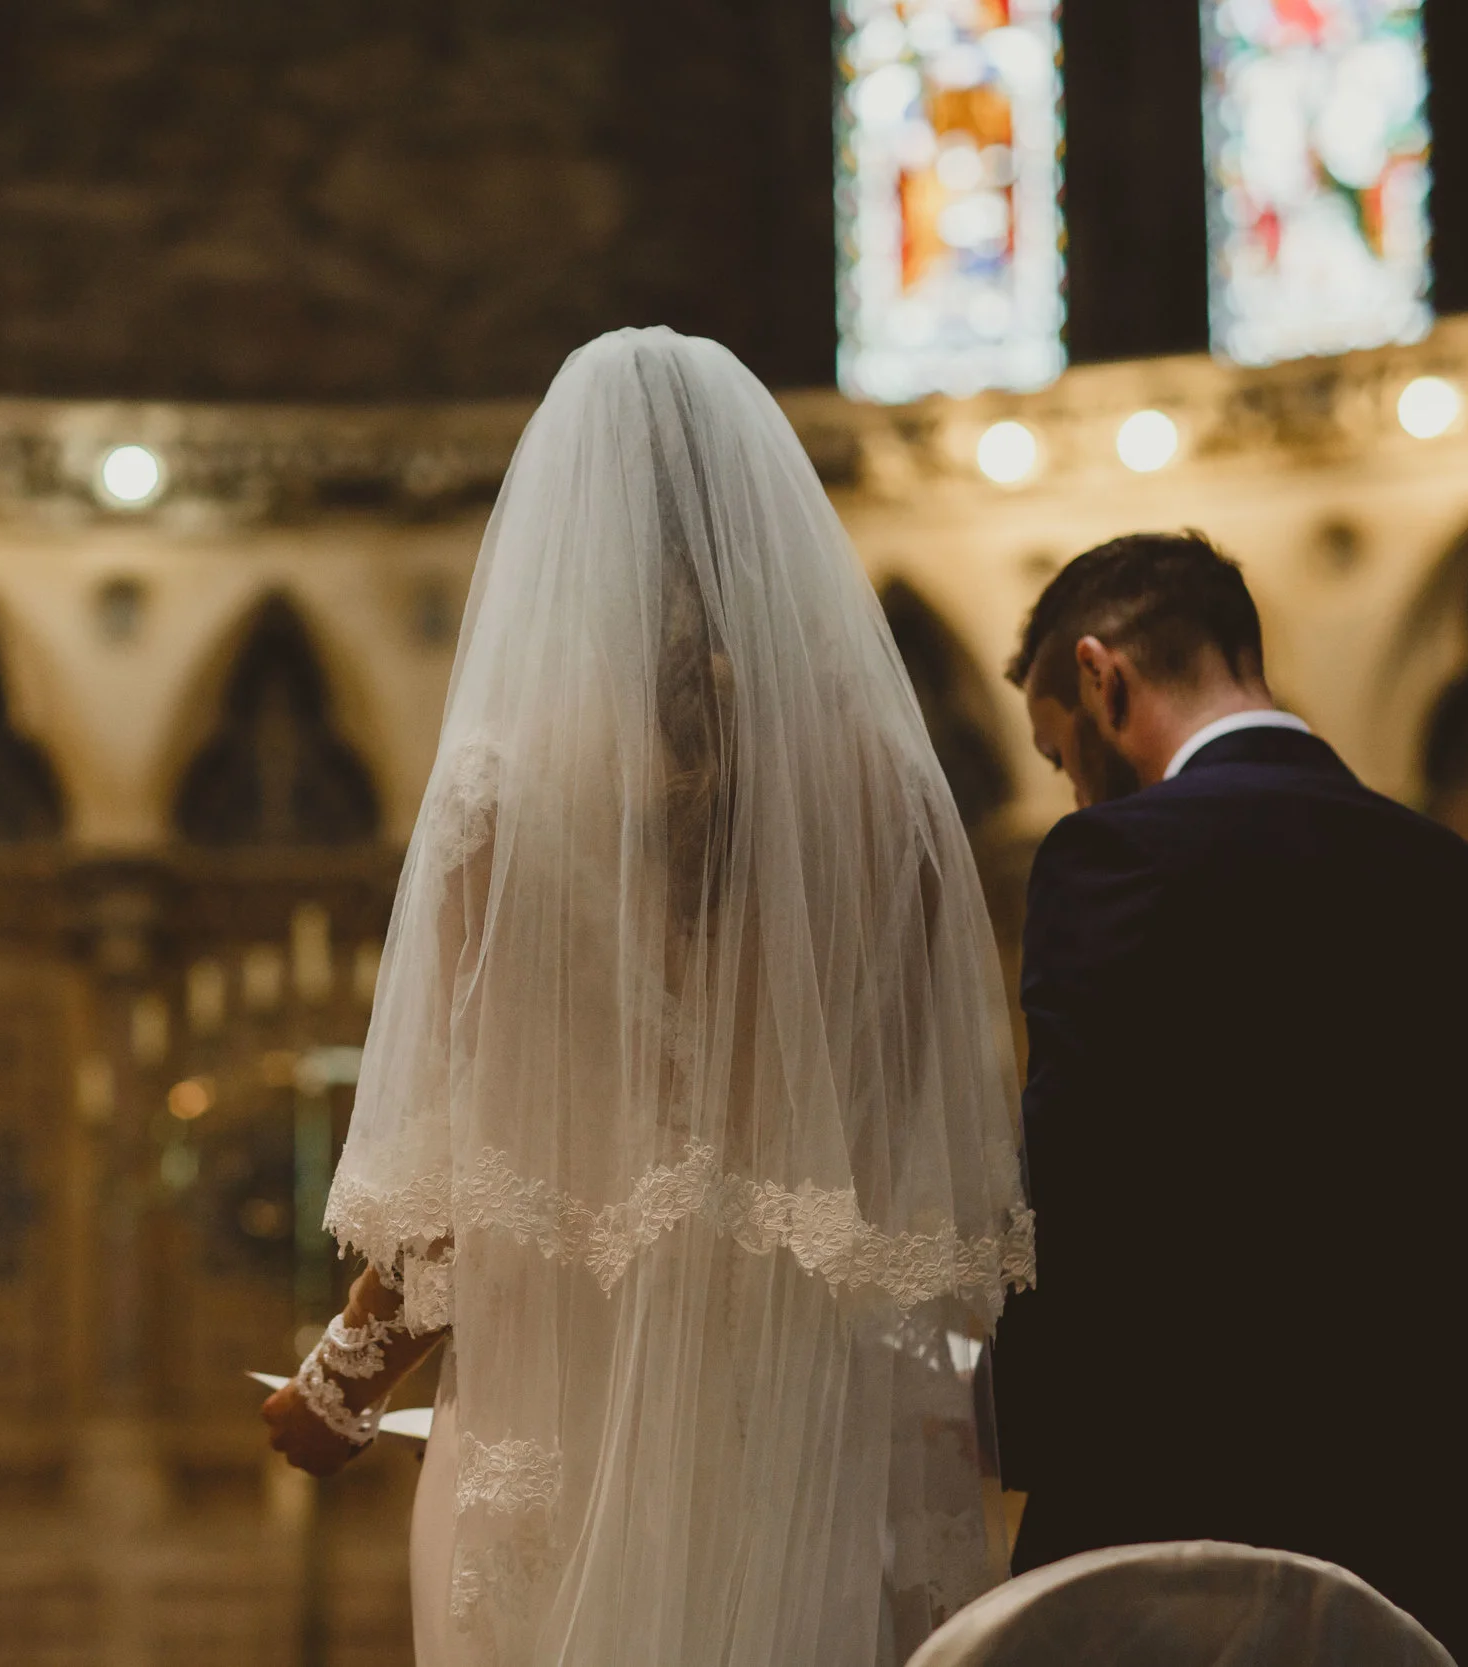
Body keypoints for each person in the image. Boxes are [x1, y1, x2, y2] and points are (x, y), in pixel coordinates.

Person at [262, 327, 1032, 1665]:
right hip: (797, 1433)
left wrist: (338, 1384)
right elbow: (892, 1149)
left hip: (562, 1427)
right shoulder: (890, 798)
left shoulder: (503, 790)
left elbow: (465, 1175)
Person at [991, 531, 1468, 1666]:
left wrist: (994, 1408)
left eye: (1060, 752)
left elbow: (1075, 1208)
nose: (1071, 784)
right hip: (1465, 1557)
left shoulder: (1116, 859)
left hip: (1210, 1564)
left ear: (1102, 677)